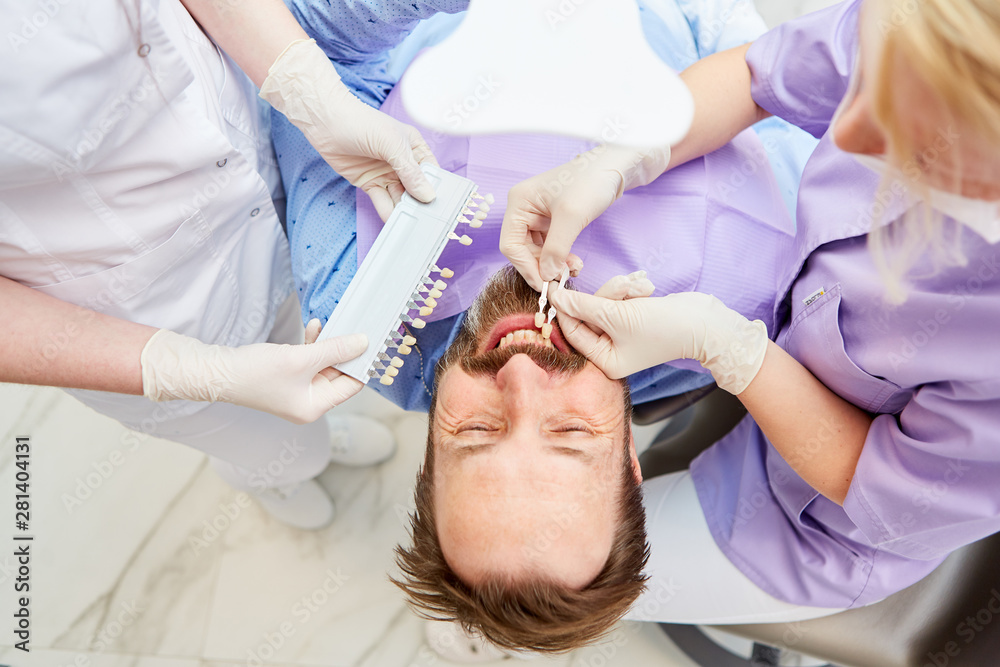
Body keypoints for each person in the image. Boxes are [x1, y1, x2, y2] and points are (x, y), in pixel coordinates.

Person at [270, 0, 819, 652]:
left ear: (427, 461)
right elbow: (782, 84)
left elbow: (306, 53)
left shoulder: (356, 300)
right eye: (570, 430)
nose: (522, 374)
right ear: (629, 462)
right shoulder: (756, 281)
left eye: (477, 429)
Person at [488, 0, 1000, 656]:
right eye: (868, 76)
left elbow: (878, 490)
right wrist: (621, 157)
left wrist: (725, 347)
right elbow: (758, 76)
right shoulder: (930, 26)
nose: (843, 127)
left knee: (545, 575)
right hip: (785, 338)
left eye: (913, 140)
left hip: (813, 518)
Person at [0, 0, 441, 529]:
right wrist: (197, 372)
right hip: (146, 314)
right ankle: (272, 475)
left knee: (301, 365)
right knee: (275, 444)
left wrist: (312, 96)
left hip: (247, 146)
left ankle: (298, 445)